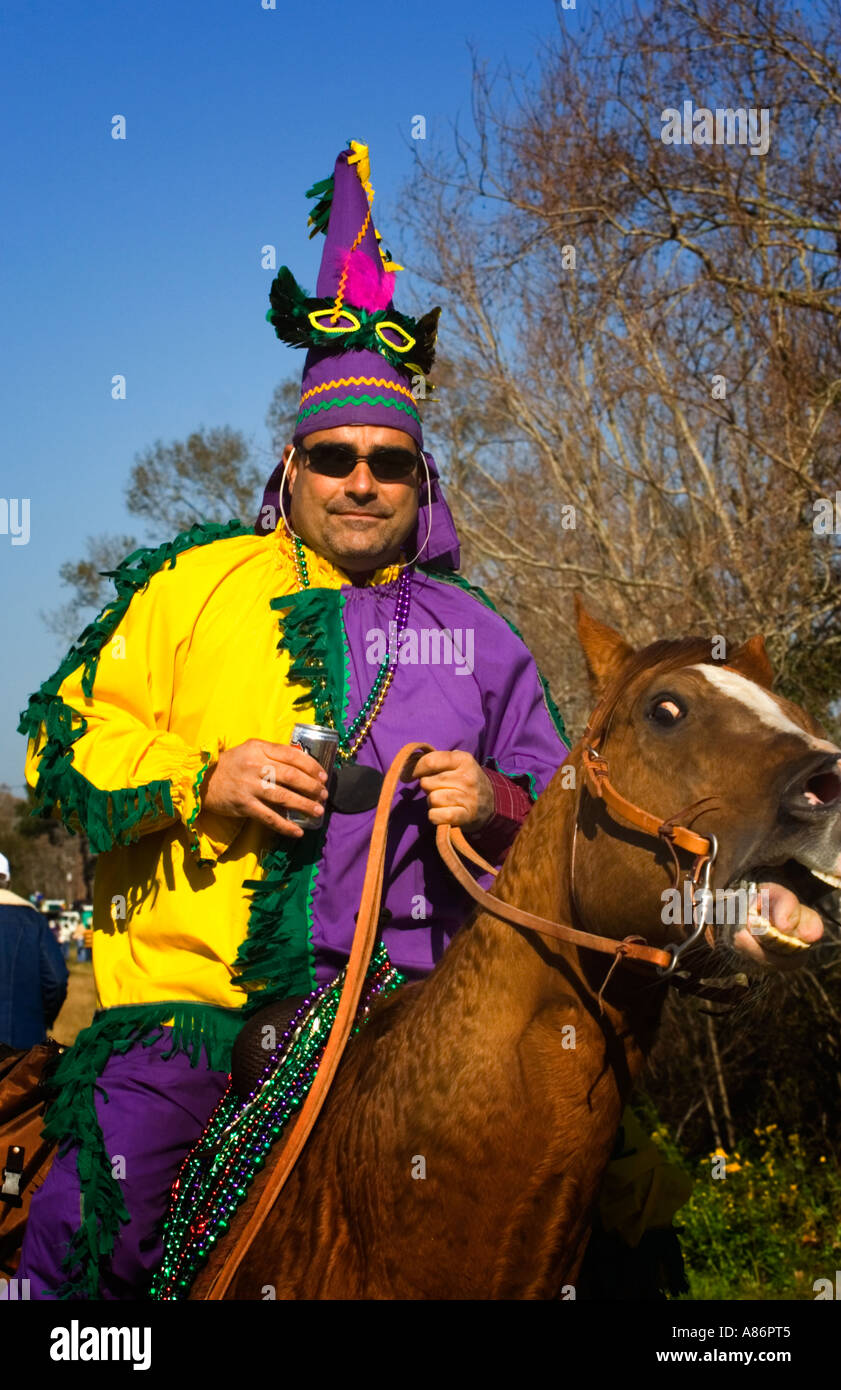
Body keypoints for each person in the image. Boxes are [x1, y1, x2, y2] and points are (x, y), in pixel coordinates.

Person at [12, 141, 570, 1300]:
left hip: (415, 1019)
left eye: (388, 462)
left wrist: (502, 801)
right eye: (334, 457)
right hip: (197, 1014)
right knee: (88, 1240)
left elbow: (566, 800)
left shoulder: (481, 635)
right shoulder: (186, 585)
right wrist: (200, 779)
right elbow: (62, 746)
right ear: (292, 463)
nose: (360, 481)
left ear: (422, 484)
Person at [0, 852, 68, 1049]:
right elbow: (56, 980)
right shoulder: (33, 919)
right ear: (8, 882)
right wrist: (41, 1018)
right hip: (23, 1039)